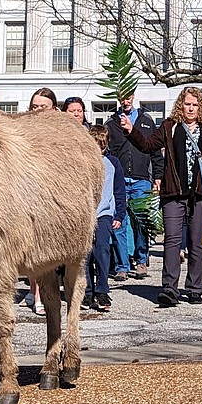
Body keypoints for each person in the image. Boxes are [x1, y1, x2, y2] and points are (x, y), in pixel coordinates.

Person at [121, 87, 202, 307]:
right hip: (173, 193)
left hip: (199, 195)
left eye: (195, 104)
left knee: (196, 243)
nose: (191, 108)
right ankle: (169, 288)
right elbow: (148, 146)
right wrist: (130, 130)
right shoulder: (170, 127)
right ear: (180, 106)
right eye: (187, 104)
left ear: (200, 106)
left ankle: (195, 288)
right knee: (172, 241)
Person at [106, 90, 163, 278]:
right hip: (119, 181)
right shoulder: (111, 123)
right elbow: (108, 152)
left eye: (129, 96)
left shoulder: (146, 120)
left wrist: (157, 176)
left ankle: (140, 261)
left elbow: (154, 151)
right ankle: (122, 266)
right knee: (119, 223)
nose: (126, 101)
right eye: (122, 97)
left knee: (141, 222)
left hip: (141, 180)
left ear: (134, 97)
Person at [21, 87, 60, 313]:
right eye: (34, 107)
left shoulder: (60, 132)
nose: (37, 111)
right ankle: (36, 294)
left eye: (42, 107)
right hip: (29, 196)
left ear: (53, 109)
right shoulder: (24, 131)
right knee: (31, 248)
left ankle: (49, 291)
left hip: (53, 198)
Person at [82, 126, 127, 313]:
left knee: (102, 249)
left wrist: (119, 215)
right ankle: (86, 291)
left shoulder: (112, 162)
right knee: (85, 254)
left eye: (101, 144)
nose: (98, 148)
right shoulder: (82, 162)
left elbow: (119, 190)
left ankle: (102, 290)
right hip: (85, 215)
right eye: (95, 144)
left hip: (104, 214)